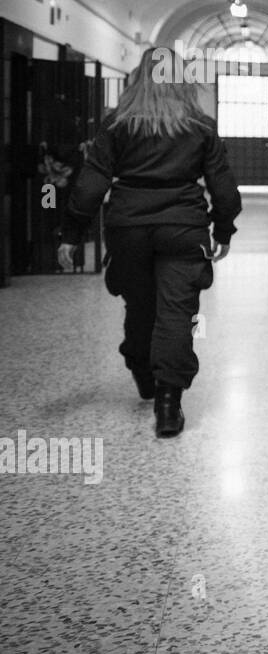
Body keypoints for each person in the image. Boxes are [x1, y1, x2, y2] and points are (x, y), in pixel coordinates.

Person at [57, 48, 241, 437]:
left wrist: (72, 234)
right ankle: (169, 406)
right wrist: (223, 230)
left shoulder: (117, 124)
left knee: (140, 305)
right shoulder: (200, 126)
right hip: (183, 228)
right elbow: (223, 187)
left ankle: (143, 372)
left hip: (129, 229)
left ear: (138, 80)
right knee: (176, 312)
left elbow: (91, 185)